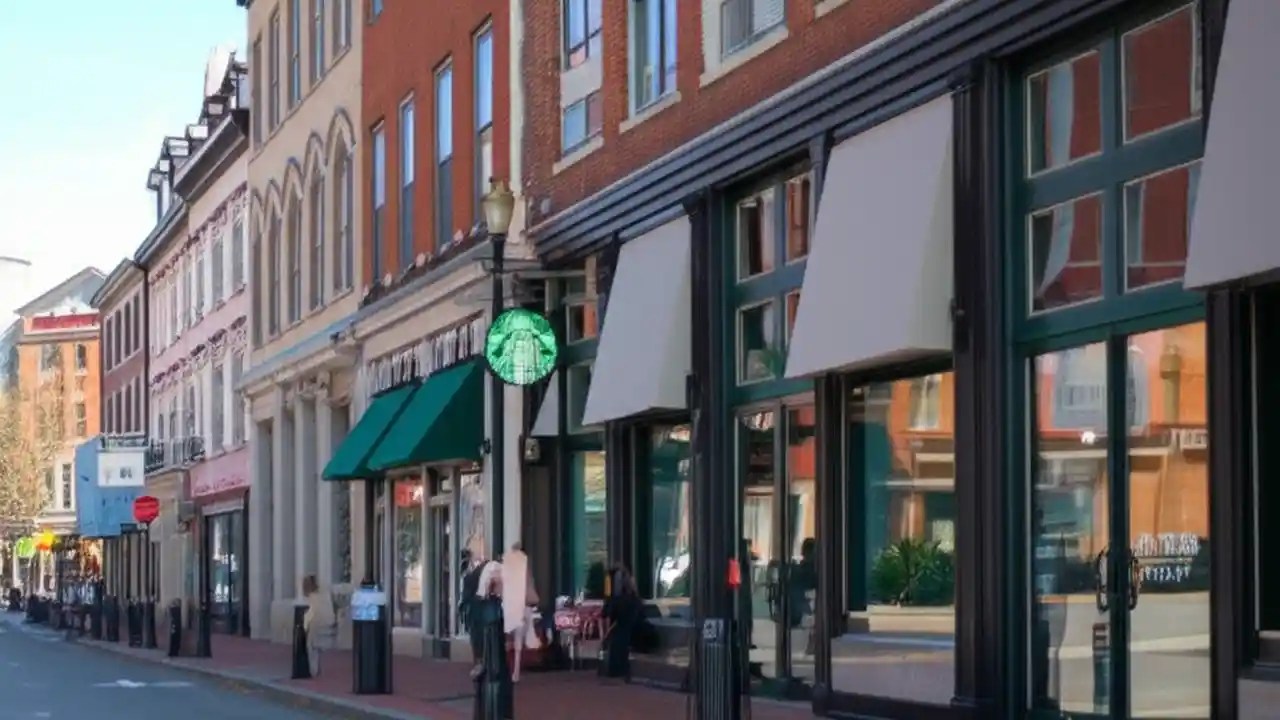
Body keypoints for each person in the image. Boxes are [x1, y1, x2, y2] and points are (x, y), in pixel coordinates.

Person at [502, 542, 540, 682]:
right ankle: (515, 672)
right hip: (523, 606)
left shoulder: (508, 565)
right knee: (518, 640)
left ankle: (507, 669)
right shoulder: (525, 567)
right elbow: (530, 585)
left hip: (511, 605)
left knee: (508, 638)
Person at [601, 564, 641, 681]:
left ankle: (616, 669)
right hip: (631, 630)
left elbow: (607, 615)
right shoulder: (633, 598)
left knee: (617, 642)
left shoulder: (617, 599)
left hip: (622, 631)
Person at [301, 574, 336, 677]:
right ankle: (318, 669)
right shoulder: (324, 595)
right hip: (327, 623)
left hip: (317, 624)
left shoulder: (313, 598)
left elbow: (311, 614)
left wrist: (305, 625)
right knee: (319, 647)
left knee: (311, 647)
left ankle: (314, 671)